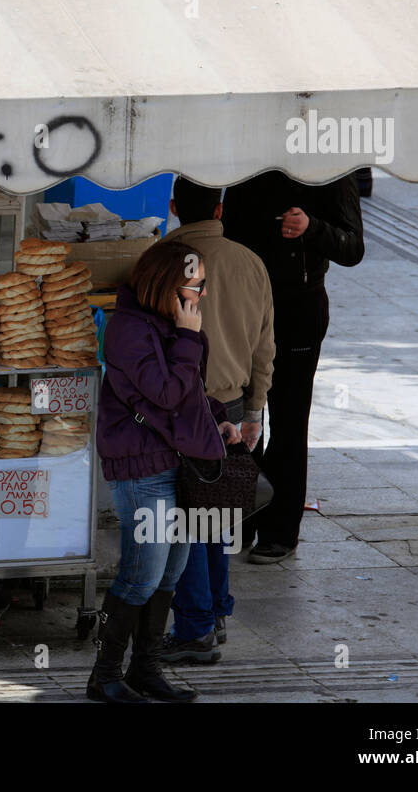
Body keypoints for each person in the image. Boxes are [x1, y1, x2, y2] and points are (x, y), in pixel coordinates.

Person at [88, 240, 241, 703]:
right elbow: (168, 394)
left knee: (169, 576)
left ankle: (145, 670)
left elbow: (189, 390)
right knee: (140, 576)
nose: (205, 295)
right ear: (170, 288)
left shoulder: (165, 325)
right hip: (142, 469)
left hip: (178, 466)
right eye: (198, 285)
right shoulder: (130, 331)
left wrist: (217, 417)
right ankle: (104, 674)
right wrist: (190, 336)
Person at [158, 179, 275, 664]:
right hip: (228, 407)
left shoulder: (161, 261)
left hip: (184, 409)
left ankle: (194, 629)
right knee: (217, 516)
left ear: (172, 208)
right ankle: (215, 613)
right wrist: (254, 411)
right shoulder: (251, 262)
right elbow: (266, 347)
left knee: (187, 520)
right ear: (221, 207)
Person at [222, 170, 364, 564]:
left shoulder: (330, 167)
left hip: (297, 305)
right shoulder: (249, 157)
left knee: (287, 419)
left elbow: (353, 246)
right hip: (245, 305)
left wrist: (311, 227)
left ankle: (279, 529)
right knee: (241, 414)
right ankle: (242, 517)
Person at [353, 0, 409, 198]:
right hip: (369, 39)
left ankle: (360, 179)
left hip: (373, 41)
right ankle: (360, 178)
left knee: (363, 111)